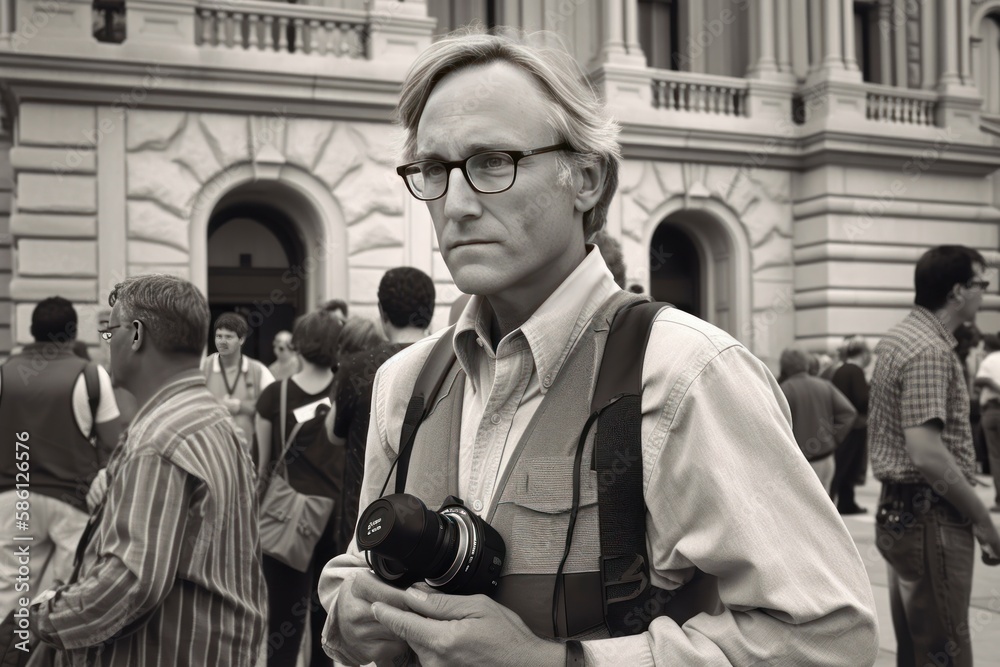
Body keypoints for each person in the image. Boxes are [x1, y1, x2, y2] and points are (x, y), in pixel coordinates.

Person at [319, 29, 878, 666]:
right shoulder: (406, 381)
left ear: (586, 178)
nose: (457, 204)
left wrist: (556, 662)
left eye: (492, 162)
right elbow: (356, 570)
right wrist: (350, 614)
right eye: (433, 170)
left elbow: (828, 636)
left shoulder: (685, 375)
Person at [29, 275, 266, 665]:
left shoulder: (160, 439)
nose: (108, 344)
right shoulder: (215, 420)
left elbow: (128, 584)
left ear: (136, 334)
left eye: (111, 332)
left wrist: (42, 615)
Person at [868, 245, 1000, 666]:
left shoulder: (902, 337)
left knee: (920, 650)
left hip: (906, 513)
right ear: (957, 291)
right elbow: (926, 453)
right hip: (931, 518)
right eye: (982, 283)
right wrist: (983, 521)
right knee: (945, 654)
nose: (986, 292)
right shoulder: (929, 349)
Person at [0, 297, 123, 618]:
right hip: (73, 501)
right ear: (73, 332)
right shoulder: (91, 375)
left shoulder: (5, 373)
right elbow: (114, 444)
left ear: (31, 331)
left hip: (13, 499)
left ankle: (13, 644)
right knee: (66, 596)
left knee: (10, 592)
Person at [254, 311, 344, 667]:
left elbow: (262, 466)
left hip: (287, 519)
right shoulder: (348, 392)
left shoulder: (274, 395)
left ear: (298, 346)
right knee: (327, 631)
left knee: (282, 628)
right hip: (337, 522)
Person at [325, 266, 435, 556]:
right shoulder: (452, 358)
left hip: (367, 517)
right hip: (433, 520)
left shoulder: (357, 366)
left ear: (382, 312)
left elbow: (334, 435)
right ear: (430, 310)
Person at [778, 348, 858, 493]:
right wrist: (834, 437)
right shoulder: (824, 385)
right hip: (826, 458)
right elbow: (849, 413)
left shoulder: (783, 390)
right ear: (806, 364)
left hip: (802, 461)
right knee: (826, 501)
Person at [202, 312, 275, 454]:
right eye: (219, 336)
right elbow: (189, 403)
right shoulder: (203, 367)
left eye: (228, 337)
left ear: (241, 339)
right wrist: (217, 405)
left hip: (247, 454)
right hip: (209, 453)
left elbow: (274, 407)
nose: (222, 341)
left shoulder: (258, 370)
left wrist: (242, 407)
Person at [830, 336, 872, 514]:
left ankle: (846, 502)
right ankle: (841, 502)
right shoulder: (855, 371)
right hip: (854, 426)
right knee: (848, 465)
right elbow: (862, 400)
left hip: (841, 424)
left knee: (843, 464)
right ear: (863, 354)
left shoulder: (840, 370)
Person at [974, 333, 1000, 512]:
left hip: (994, 410)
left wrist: (995, 386)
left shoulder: (989, 360)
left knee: (996, 457)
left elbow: (980, 380)